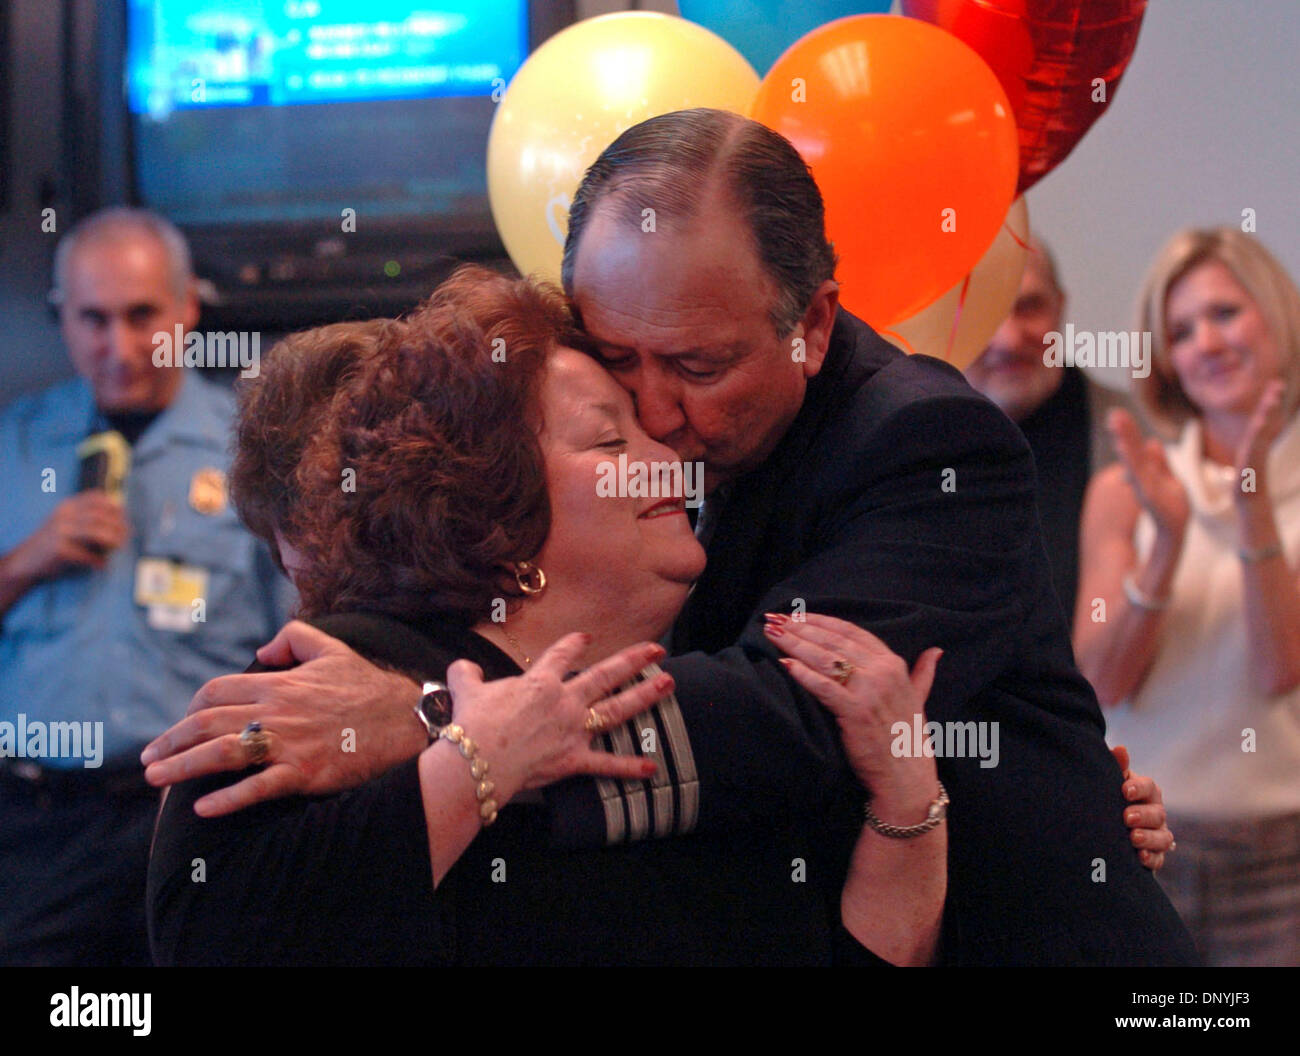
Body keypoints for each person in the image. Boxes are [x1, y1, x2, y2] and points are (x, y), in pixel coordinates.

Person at [143, 110, 1193, 965]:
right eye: (613, 369)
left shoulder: (922, 440)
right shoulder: (362, 669)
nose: (653, 418)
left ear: (811, 325)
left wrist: (438, 728)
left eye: (694, 368)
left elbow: (794, 718)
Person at [148, 268, 948, 966]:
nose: (671, 460)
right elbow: (220, 934)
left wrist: (907, 807)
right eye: (609, 442)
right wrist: (469, 763)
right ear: (492, 511)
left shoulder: (685, 707)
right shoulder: (338, 670)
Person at [0, 207, 293, 965]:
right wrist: (27, 561)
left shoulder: (253, 447)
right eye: (92, 319)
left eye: (142, 316)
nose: (120, 348)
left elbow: (301, 654)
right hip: (38, 826)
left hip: (193, 812)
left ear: (188, 307)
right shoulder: (13, 442)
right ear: (62, 317)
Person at [1075, 227, 1300, 966]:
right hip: (1144, 846)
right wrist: (1165, 546)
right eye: (1180, 329)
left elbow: (1280, 671)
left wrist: (1253, 501)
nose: (1206, 341)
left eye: (1225, 313)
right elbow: (1101, 684)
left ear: (1276, 315)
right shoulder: (1128, 489)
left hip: (1281, 864)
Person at [965, 239, 1134, 618]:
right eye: (983, 313)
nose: (1008, 340)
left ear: (1060, 306)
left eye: (1029, 307)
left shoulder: (1149, 435)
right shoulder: (904, 447)